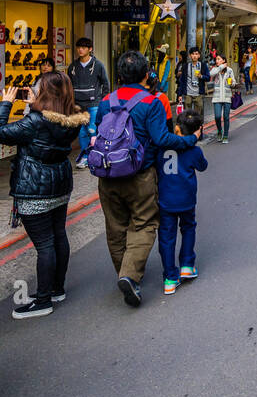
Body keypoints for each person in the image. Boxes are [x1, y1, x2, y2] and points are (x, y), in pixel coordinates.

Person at [95, 51, 200, 308]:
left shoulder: (106, 101)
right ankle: (129, 276)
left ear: (119, 75)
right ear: (145, 75)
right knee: (143, 224)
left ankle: (125, 273)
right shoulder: (151, 102)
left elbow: (100, 134)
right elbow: (162, 139)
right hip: (140, 174)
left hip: (107, 174)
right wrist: (190, 140)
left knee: (115, 226)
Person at [0, 73, 87, 319]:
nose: (31, 91)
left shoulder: (36, 121)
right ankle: (56, 289)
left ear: (46, 95)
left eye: (35, 88)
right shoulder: (69, 120)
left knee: (45, 244)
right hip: (60, 184)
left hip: (34, 188)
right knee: (58, 235)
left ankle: (43, 300)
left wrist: (6, 103)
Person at [157, 111, 208, 295]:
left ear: (176, 128)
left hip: (165, 200)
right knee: (188, 228)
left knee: (166, 236)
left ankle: (170, 277)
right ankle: (187, 264)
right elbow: (203, 166)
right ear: (197, 131)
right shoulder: (194, 151)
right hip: (186, 199)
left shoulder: (162, 148)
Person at [69, 38, 110, 169]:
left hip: (94, 104)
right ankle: (85, 157)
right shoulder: (73, 66)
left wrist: (103, 100)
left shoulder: (97, 65)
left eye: (84, 47)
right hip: (78, 104)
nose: (80, 49)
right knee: (81, 131)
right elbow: (69, 85)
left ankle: (95, 156)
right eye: (78, 47)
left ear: (90, 49)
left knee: (93, 130)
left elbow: (105, 84)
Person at [175, 46, 210, 123]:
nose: (194, 56)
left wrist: (201, 76)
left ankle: (198, 132)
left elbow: (208, 78)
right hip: (188, 94)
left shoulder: (203, 66)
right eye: (193, 54)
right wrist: (180, 95)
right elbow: (182, 81)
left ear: (199, 56)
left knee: (198, 115)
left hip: (199, 94)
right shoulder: (186, 66)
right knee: (188, 115)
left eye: (196, 54)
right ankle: (189, 131)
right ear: (190, 55)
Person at [209, 53, 237, 143]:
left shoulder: (229, 70)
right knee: (217, 116)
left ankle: (225, 135)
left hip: (227, 96)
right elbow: (211, 74)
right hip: (216, 97)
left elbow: (234, 82)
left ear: (223, 60)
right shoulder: (215, 70)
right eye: (216, 59)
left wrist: (232, 83)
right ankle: (219, 131)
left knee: (226, 117)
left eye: (219, 59)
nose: (217, 61)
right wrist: (220, 67)